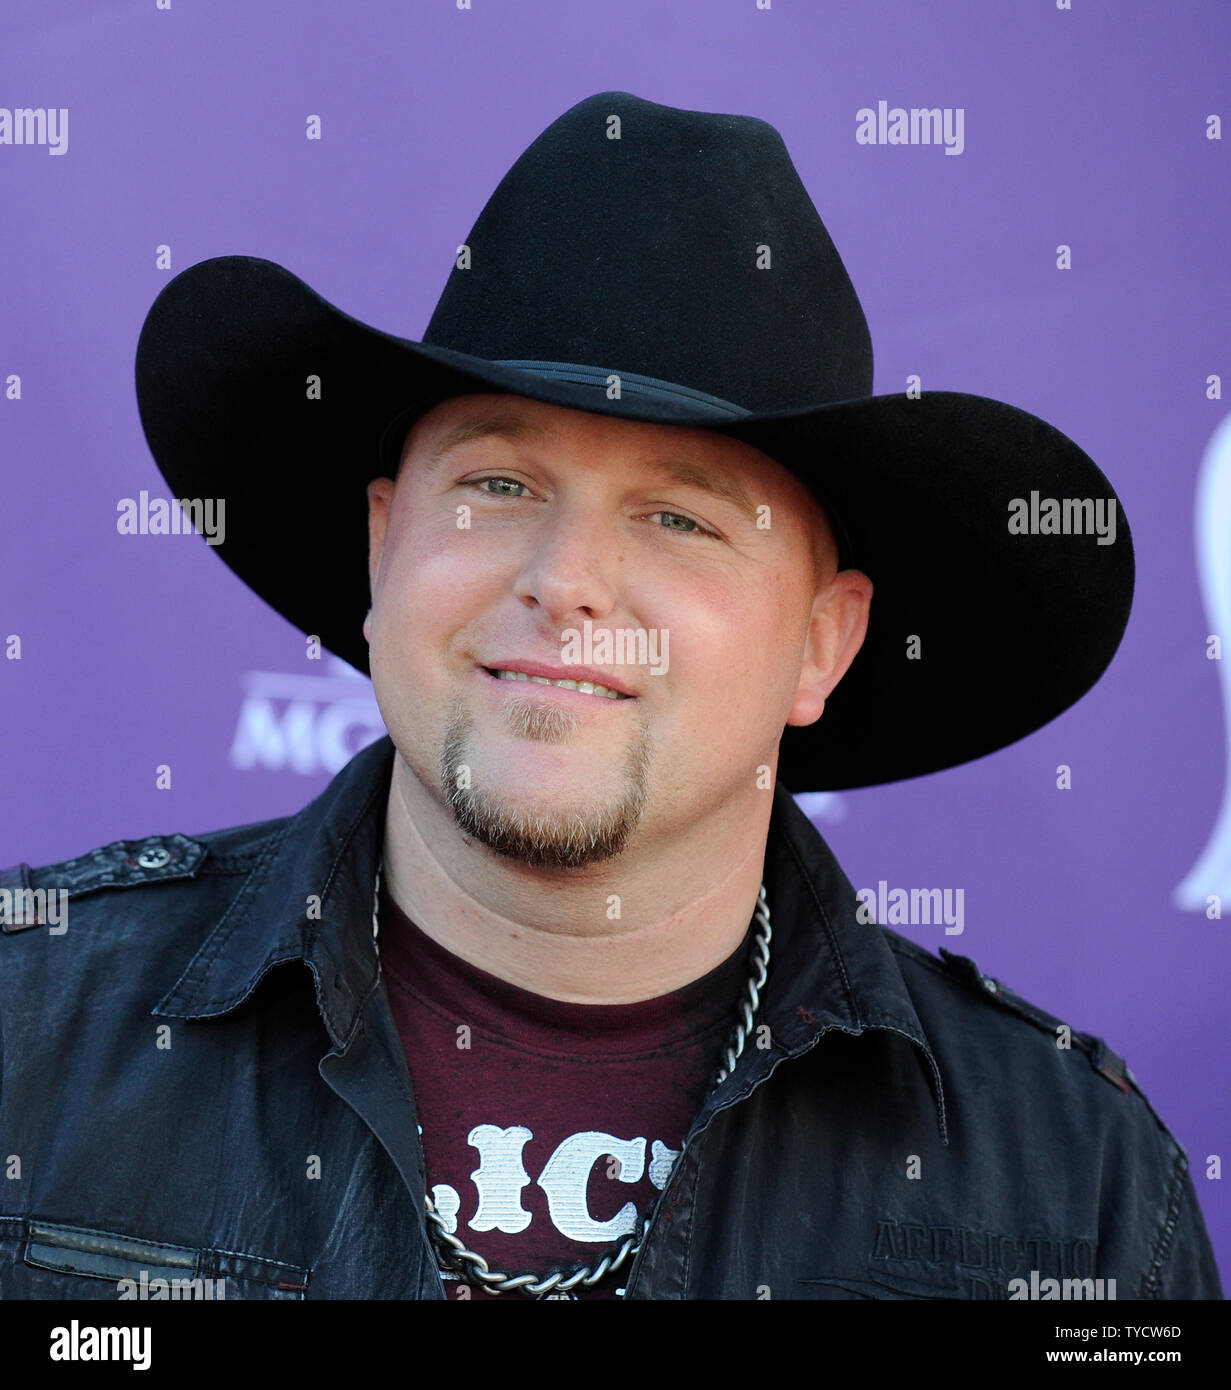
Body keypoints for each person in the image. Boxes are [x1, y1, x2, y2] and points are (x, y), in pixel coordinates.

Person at [0, 91, 1220, 1301]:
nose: (566, 582)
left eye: (678, 517)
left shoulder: (1076, 1199)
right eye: (498, 483)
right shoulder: (29, 1027)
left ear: (822, 644)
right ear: (382, 551)